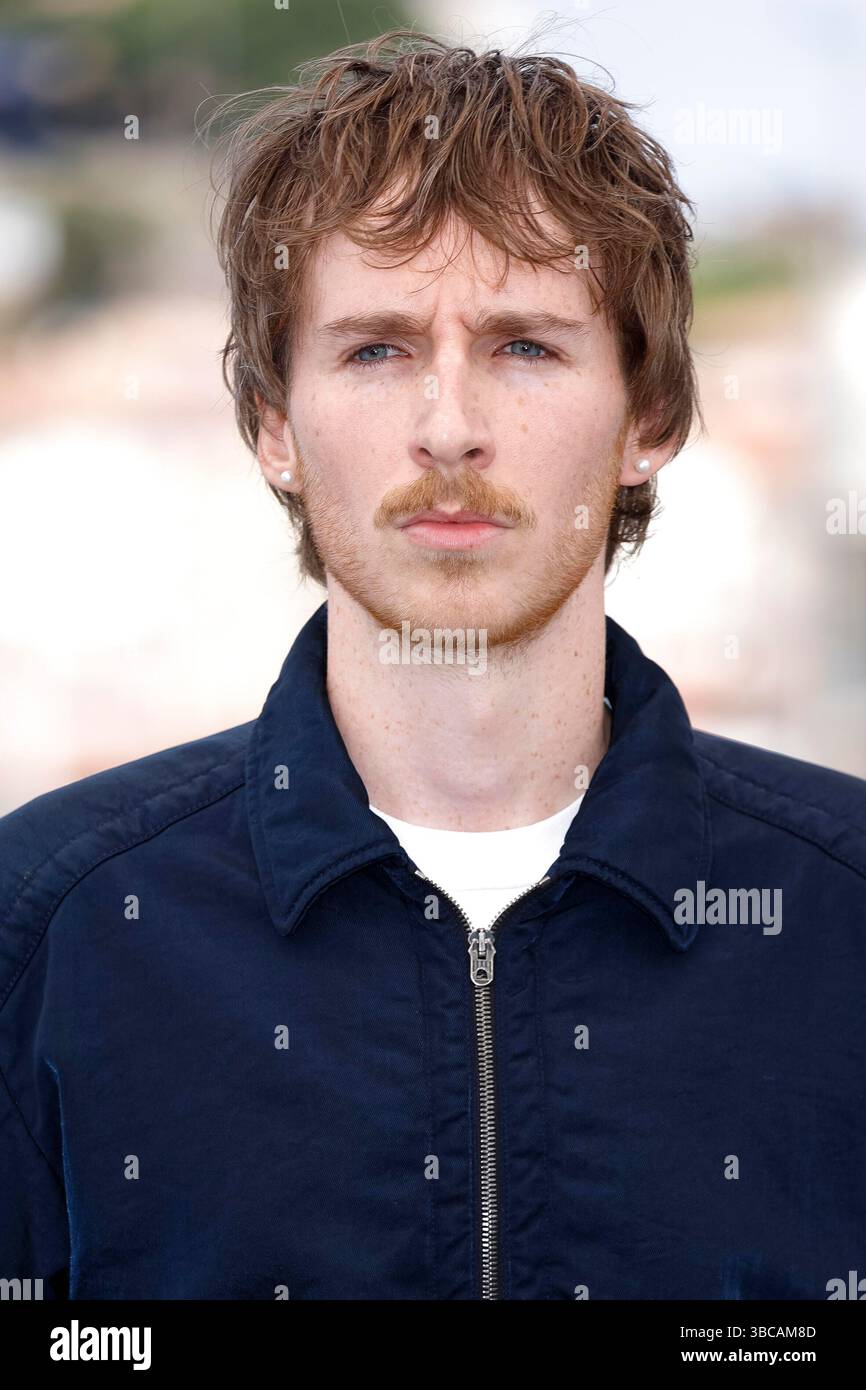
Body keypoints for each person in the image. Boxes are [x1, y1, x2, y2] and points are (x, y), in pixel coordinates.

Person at [1, 29, 864, 1303]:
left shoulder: (839, 922)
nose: (448, 427)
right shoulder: (52, 933)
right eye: (375, 348)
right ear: (273, 428)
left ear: (649, 418)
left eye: (524, 345)